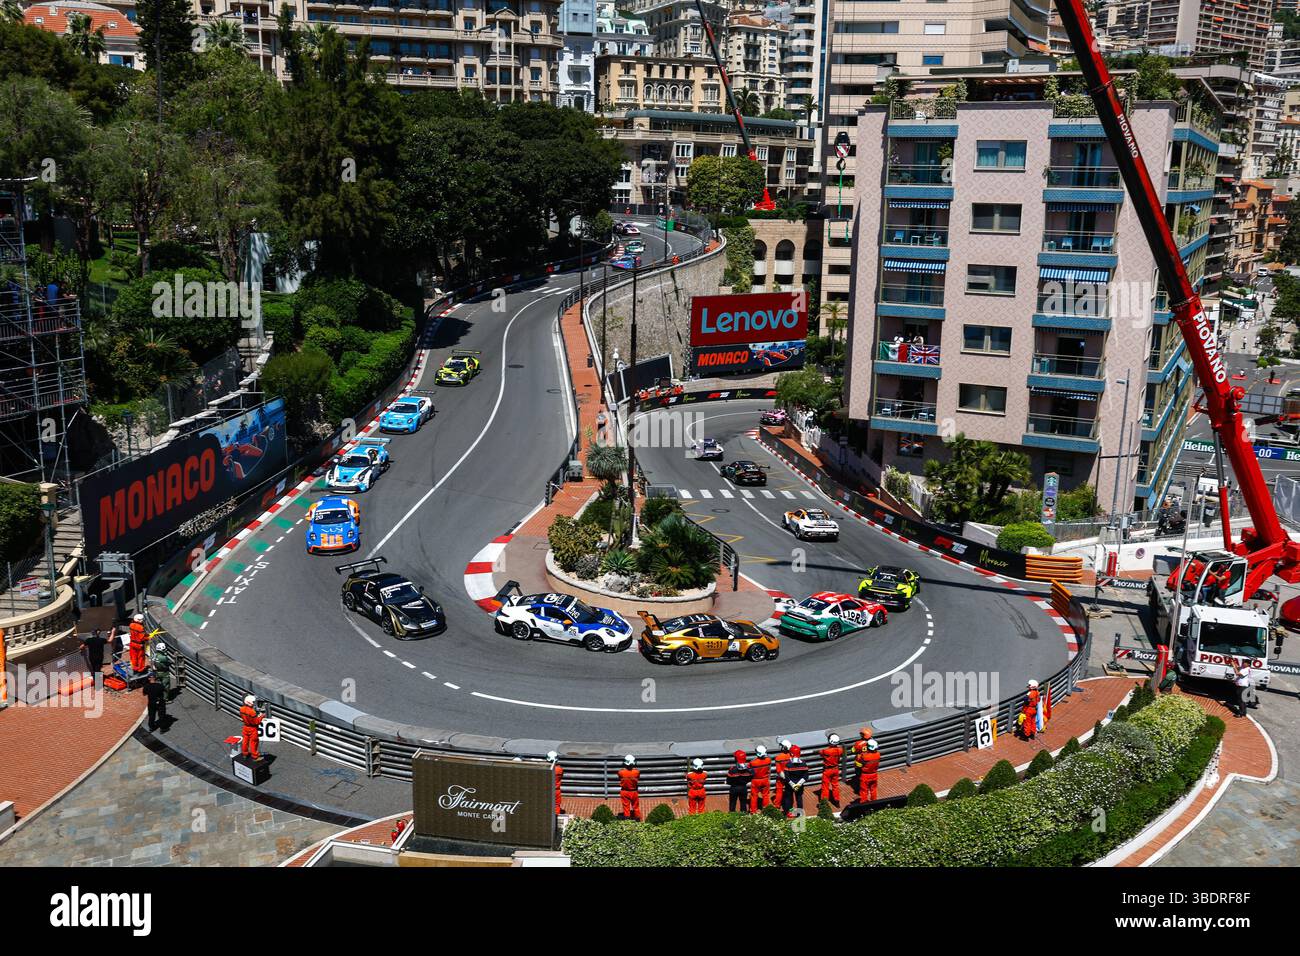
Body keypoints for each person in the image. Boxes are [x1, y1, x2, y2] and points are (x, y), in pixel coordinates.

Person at [780, 745, 809, 818]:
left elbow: (787, 777)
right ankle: (800, 813)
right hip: (800, 786)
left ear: (791, 754)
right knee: (799, 799)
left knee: (789, 799)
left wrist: (793, 785)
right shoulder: (804, 764)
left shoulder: (788, 764)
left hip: (789, 786)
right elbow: (805, 776)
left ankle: (790, 813)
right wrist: (798, 784)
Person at [819, 733, 844, 807]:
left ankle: (824, 802)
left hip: (827, 770)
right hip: (836, 769)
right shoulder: (840, 750)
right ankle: (837, 801)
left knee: (825, 787)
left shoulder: (826, 751)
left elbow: (820, 753)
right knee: (835, 785)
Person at [239, 694, 264, 760]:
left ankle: (245, 754)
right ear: (250, 702)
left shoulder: (241, 709)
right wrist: (261, 716)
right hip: (252, 728)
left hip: (245, 727)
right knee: (254, 742)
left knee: (245, 741)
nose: (254, 703)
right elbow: (256, 722)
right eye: (253, 702)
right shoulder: (252, 712)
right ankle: (255, 757)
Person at [749, 745, 773, 811]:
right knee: (765, 795)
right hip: (765, 780)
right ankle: (766, 809)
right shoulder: (768, 760)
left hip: (755, 780)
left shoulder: (752, 762)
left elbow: (749, 770)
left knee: (754, 796)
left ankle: (753, 810)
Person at [617, 754, 641, 820]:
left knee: (626, 808)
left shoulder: (621, 772)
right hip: (634, 792)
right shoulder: (637, 772)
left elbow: (619, 778)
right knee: (636, 807)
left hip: (624, 791)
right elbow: (638, 778)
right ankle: (638, 820)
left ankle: (627, 821)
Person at [857, 738, 880, 802]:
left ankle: (864, 805)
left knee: (864, 791)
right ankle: (874, 802)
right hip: (874, 775)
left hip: (865, 776)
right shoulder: (878, 754)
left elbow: (858, 764)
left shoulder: (864, 756)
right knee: (873, 790)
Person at [772, 739, 793, 807]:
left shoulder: (778, 757)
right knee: (789, 791)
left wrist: (783, 776)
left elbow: (778, 770)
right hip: (790, 776)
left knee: (779, 791)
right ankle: (790, 804)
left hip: (781, 777)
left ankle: (777, 804)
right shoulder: (791, 756)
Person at [547, 750, 564, 816]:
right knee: (556, 805)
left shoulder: (546, 769)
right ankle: (555, 820)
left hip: (547, 790)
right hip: (556, 790)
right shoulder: (559, 769)